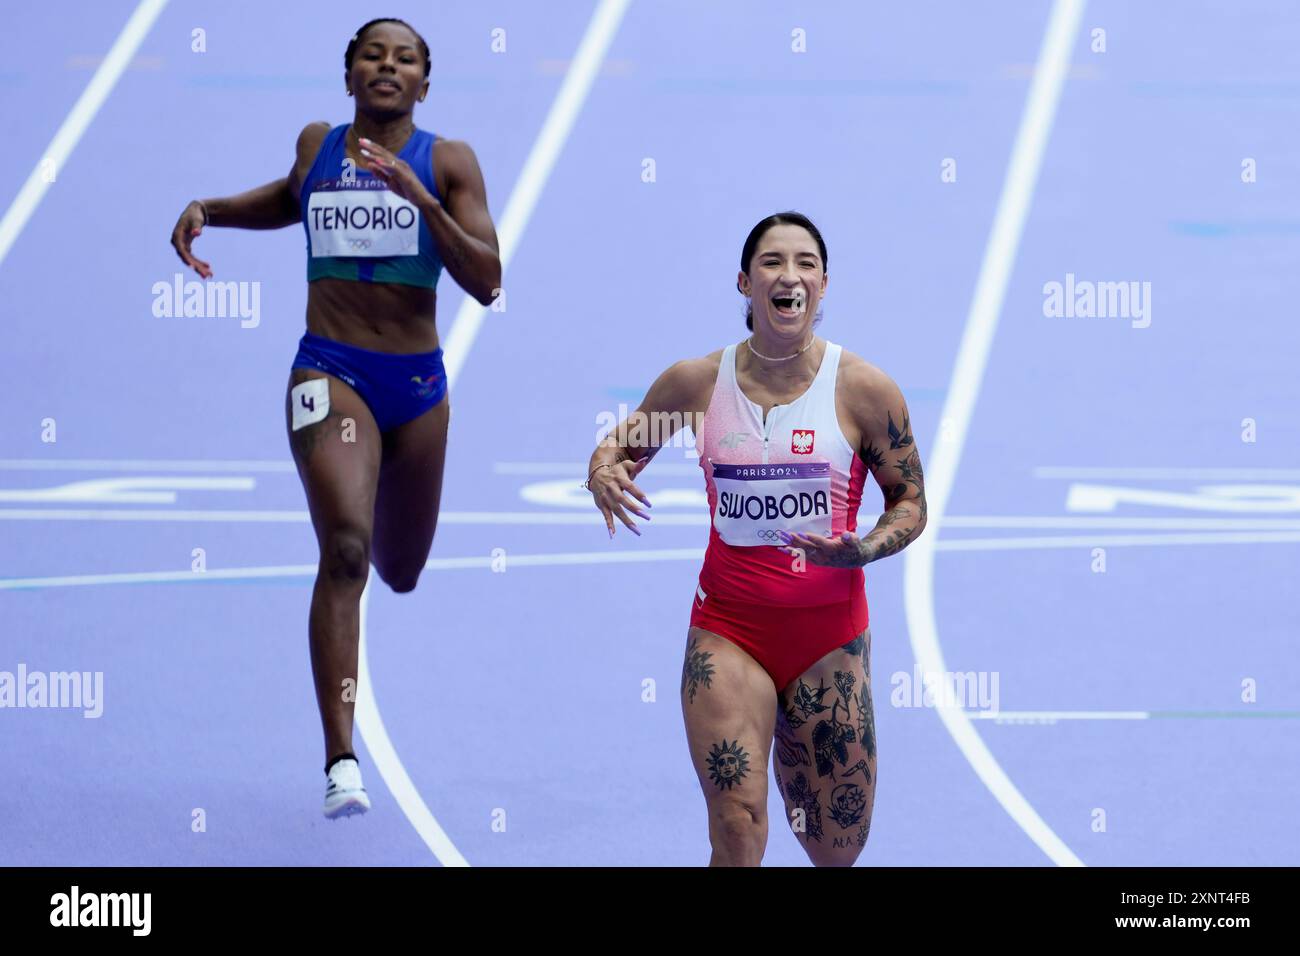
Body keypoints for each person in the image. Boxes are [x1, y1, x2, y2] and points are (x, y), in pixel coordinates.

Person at [169, 18, 501, 818]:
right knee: (346, 550)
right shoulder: (319, 144)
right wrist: (208, 208)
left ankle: (375, 525)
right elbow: (290, 198)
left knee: (401, 569)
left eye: (406, 59)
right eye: (372, 55)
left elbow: (488, 281)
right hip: (330, 370)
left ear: (426, 83)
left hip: (416, 387)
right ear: (348, 75)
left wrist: (422, 202)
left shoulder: (448, 162)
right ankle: (341, 761)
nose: (387, 66)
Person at [586, 212, 926, 865]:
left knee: (836, 847)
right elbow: (618, 448)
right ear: (745, 283)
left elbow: (910, 501)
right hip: (729, 632)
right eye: (772, 262)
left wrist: (863, 548)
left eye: (804, 263)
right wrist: (601, 471)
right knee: (738, 825)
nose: (788, 275)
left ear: (823, 285)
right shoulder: (696, 383)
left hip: (830, 640)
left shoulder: (864, 391)